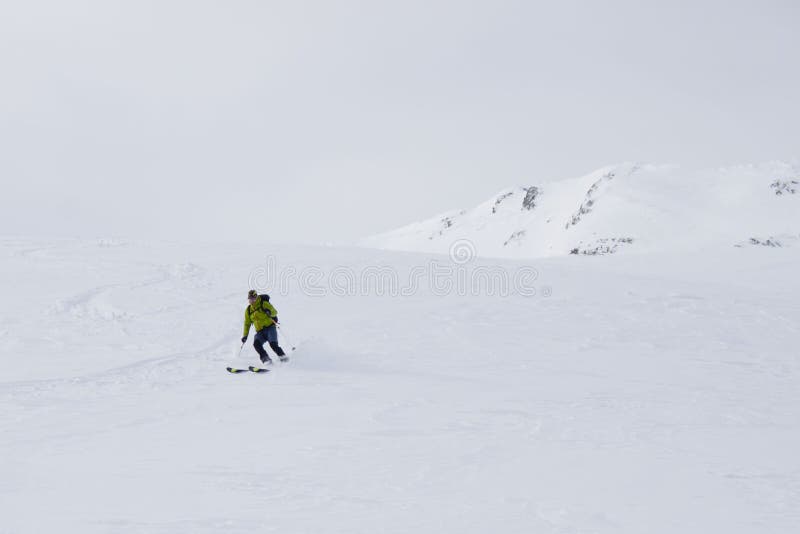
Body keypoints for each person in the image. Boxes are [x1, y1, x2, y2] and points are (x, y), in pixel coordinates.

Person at [241, 289, 287, 364]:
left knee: (273, 344)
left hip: (270, 328)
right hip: (260, 332)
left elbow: (275, 312)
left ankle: (284, 358)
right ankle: (266, 359)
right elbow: (247, 324)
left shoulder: (264, 304)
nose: (252, 300)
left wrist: (269, 312)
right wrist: (245, 335)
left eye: (253, 298)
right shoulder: (248, 310)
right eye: (250, 299)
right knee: (256, 344)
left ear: (256, 297)